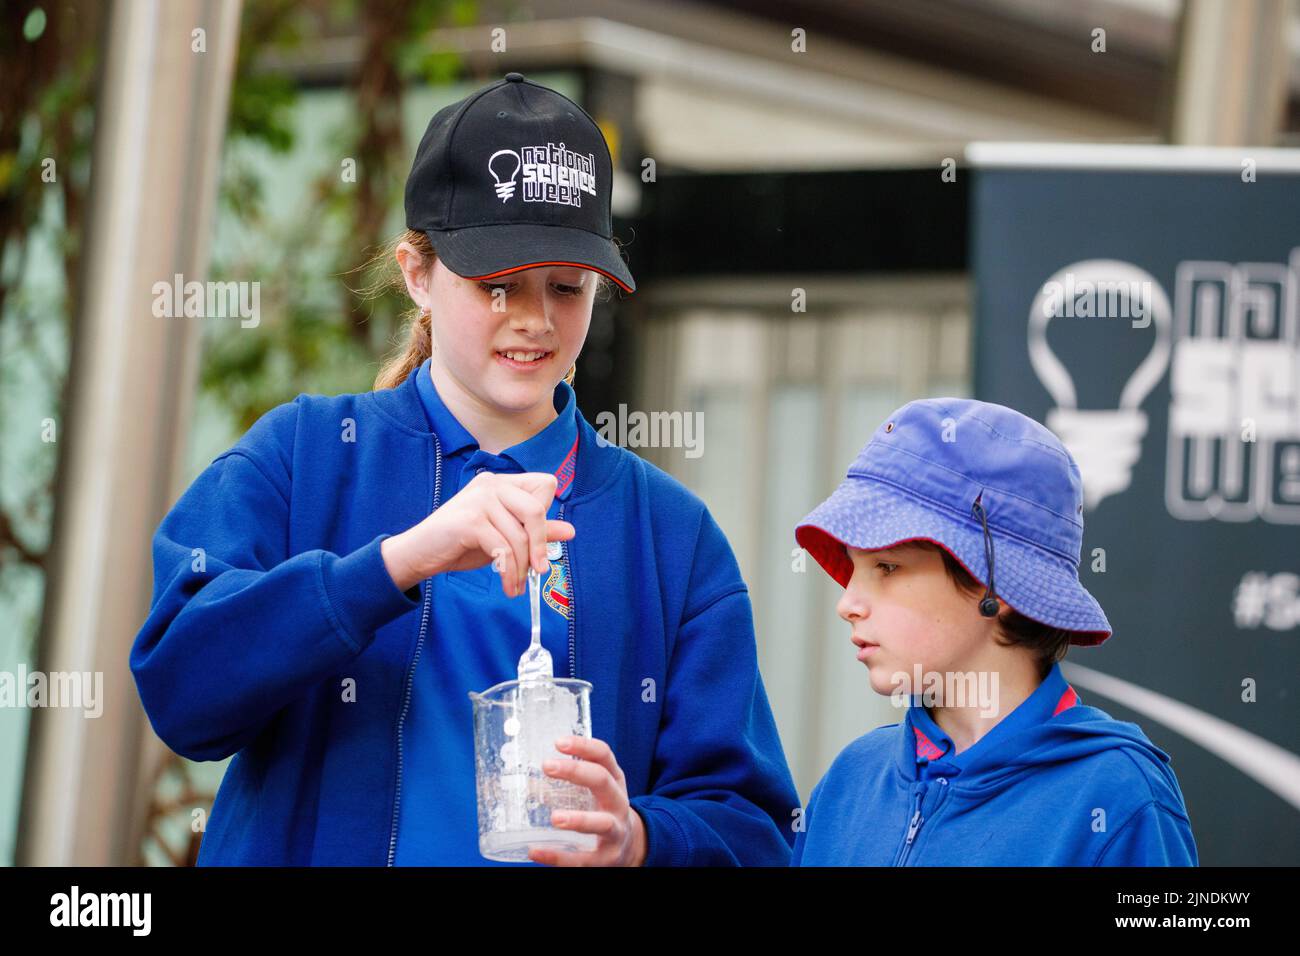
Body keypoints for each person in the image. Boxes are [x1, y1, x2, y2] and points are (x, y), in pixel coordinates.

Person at [130, 73, 798, 866]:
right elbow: (180, 690)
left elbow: (757, 832)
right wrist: (395, 563)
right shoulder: (301, 455)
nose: (536, 320)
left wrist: (641, 837)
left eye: (567, 286)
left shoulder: (672, 536)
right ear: (417, 272)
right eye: (496, 285)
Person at [789, 397, 1198, 866]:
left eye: (886, 566)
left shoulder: (1117, 797)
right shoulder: (851, 778)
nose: (847, 603)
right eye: (853, 568)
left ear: (996, 584)